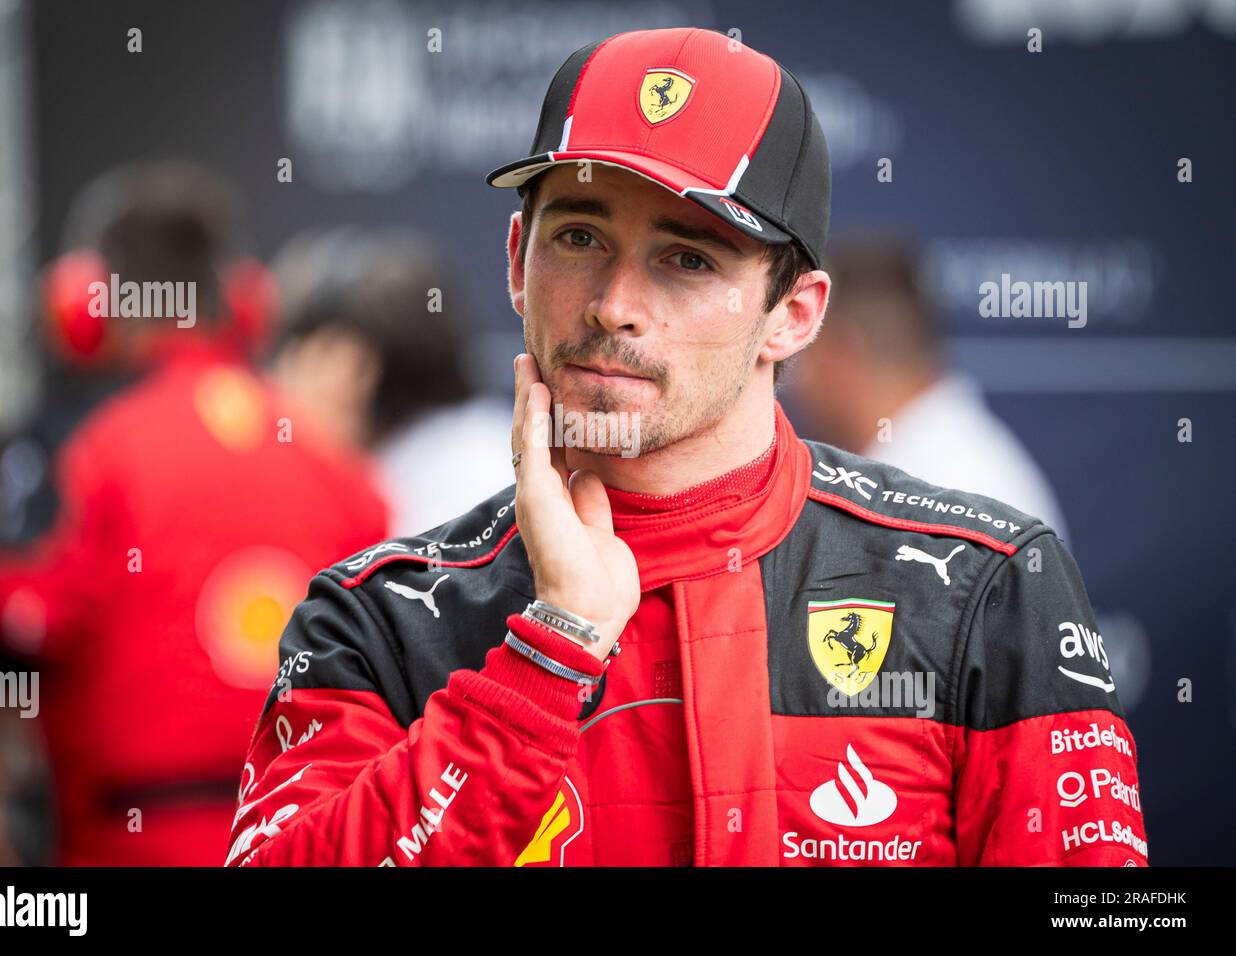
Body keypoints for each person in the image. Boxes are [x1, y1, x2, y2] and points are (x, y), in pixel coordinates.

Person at [226, 27, 1147, 867]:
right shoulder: (376, 620)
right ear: (515, 261)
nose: (614, 301)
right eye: (580, 237)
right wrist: (548, 660)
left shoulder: (984, 585)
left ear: (793, 315)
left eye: (688, 258)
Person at [0, 161, 390, 865]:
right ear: (245, 301)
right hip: (308, 839)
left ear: (87, 304)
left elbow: (13, 632)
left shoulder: (75, 451)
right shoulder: (339, 470)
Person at [787, 236, 1069, 540]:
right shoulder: (942, 463)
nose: (794, 386)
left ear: (839, 353)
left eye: (802, 355)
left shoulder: (944, 486)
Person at [268, 228, 513, 537]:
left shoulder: (464, 478)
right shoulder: (469, 443)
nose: (279, 377)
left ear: (357, 372)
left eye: (315, 351)